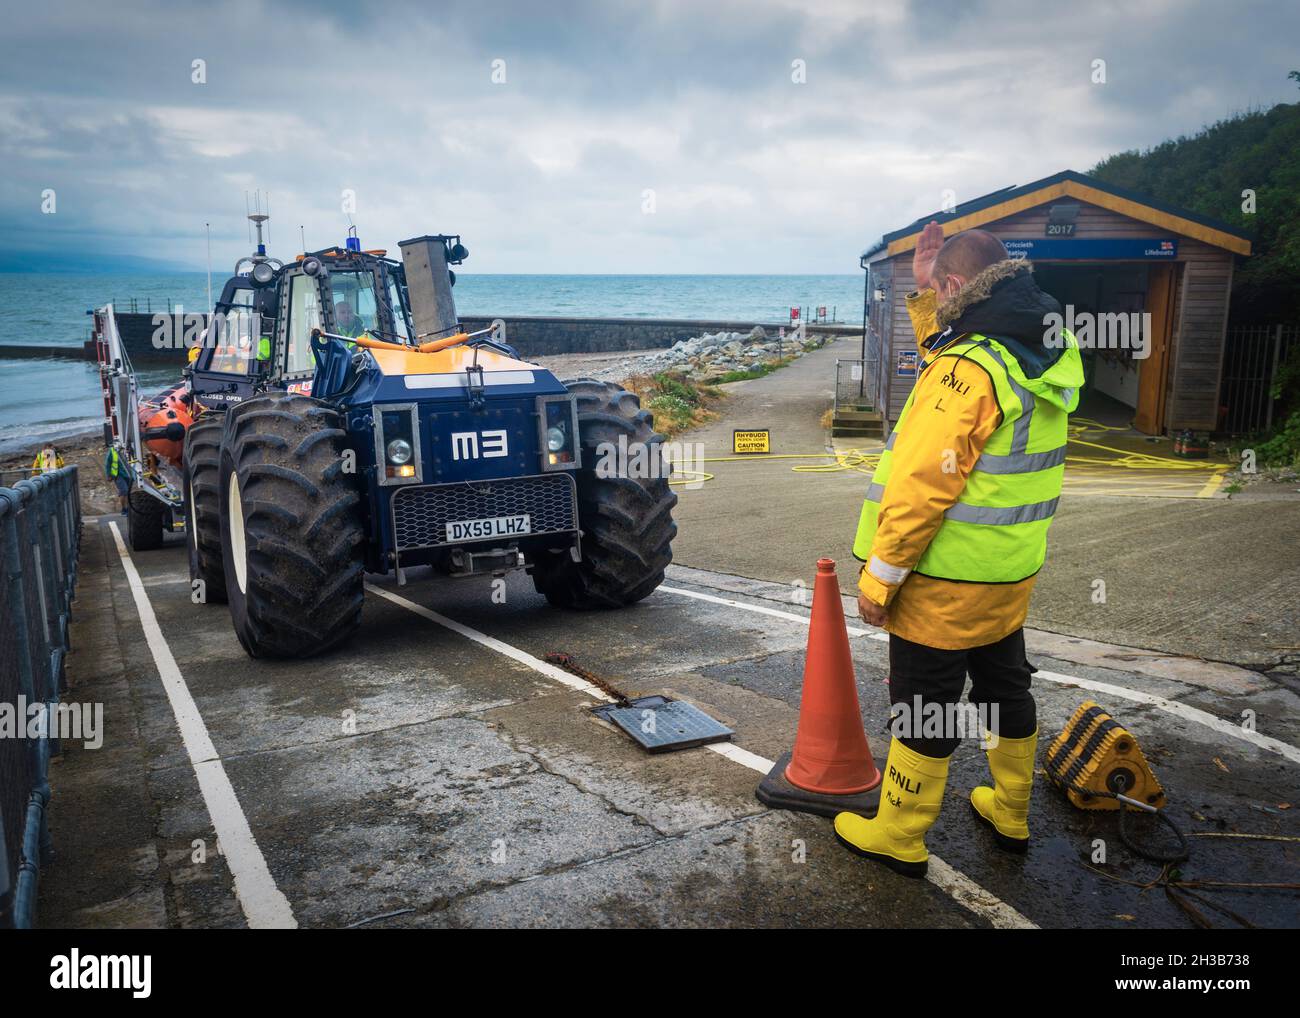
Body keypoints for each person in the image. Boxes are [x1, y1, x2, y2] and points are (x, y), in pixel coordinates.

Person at [835, 222, 1082, 878]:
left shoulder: (969, 367)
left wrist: (880, 580)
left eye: (939, 293)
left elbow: (921, 487)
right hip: (1007, 570)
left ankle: (900, 832)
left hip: (943, 576)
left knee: (925, 699)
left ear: (955, 287)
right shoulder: (1038, 345)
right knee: (1004, 684)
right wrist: (925, 293)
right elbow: (956, 355)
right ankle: (1010, 808)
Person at [104, 444, 131, 516]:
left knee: (128, 491)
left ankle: (129, 508)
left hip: (128, 474)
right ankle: (124, 509)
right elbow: (107, 464)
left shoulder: (128, 448)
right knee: (124, 491)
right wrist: (108, 475)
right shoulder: (112, 451)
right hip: (118, 475)